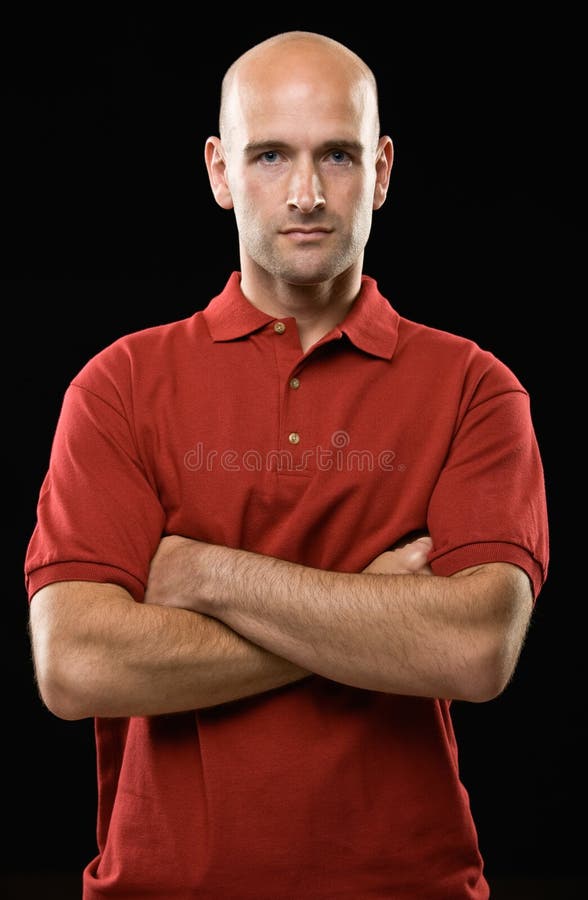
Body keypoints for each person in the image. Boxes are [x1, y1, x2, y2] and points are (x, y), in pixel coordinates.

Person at [24, 30, 549, 900]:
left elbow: (475, 647)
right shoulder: (118, 385)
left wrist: (202, 571)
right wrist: (376, 609)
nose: (306, 193)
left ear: (381, 170)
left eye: (336, 155)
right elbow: (75, 665)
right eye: (270, 155)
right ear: (219, 170)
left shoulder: (475, 389)